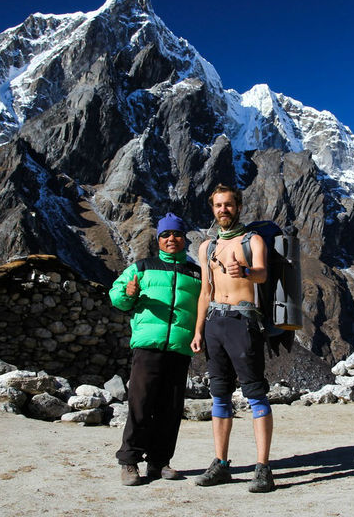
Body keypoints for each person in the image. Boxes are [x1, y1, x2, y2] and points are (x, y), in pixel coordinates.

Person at [190, 184, 275, 493]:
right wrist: (198, 329)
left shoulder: (253, 241)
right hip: (214, 321)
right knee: (220, 395)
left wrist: (246, 273)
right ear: (212, 209)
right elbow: (205, 291)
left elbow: (263, 274)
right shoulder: (207, 248)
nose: (222, 210)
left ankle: (263, 467)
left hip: (244, 320)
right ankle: (221, 463)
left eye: (228, 205)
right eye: (217, 205)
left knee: (255, 394)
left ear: (238, 207)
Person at [108, 213, 202, 485]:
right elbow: (117, 299)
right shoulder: (142, 268)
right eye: (165, 235)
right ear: (158, 239)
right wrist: (129, 292)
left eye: (176, 234)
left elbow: (204, 307)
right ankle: (129, 461)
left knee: (171, 408)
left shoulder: (196, 273)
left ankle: (160, 462)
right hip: (148, 346)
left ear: (184, 238)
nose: (171, 239)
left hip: (179, 348)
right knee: (140, 402)